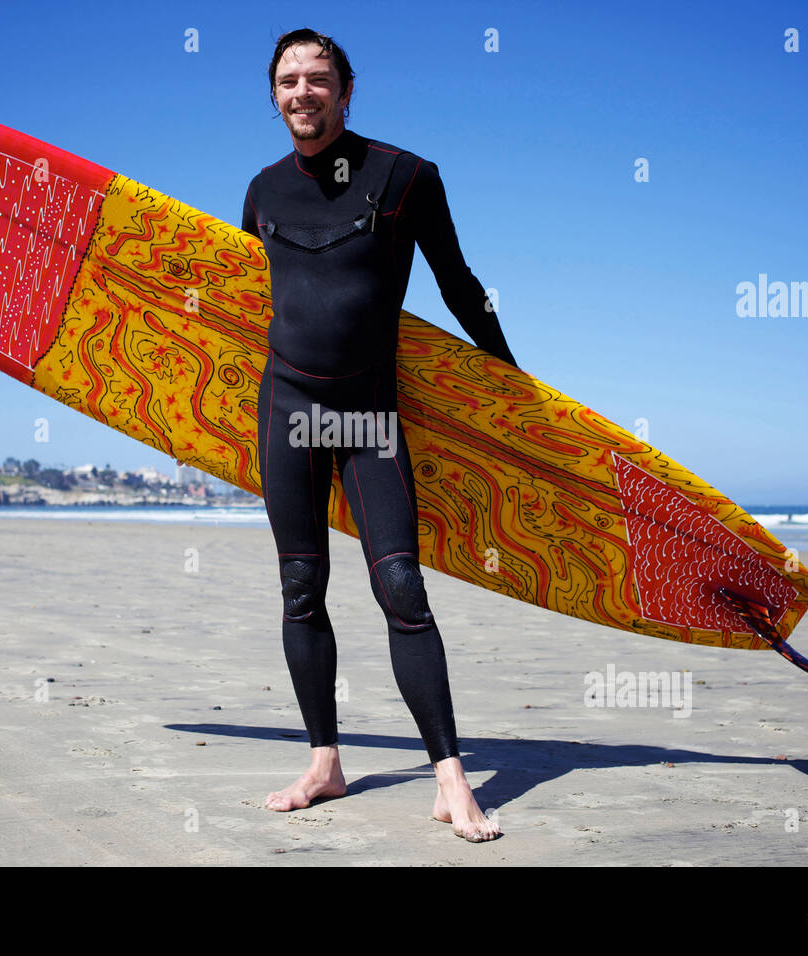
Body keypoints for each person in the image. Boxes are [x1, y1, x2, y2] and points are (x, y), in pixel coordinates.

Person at [242, 29, 515, 842]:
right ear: (274, 95)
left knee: (402, 588)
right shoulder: (259, 192)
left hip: (367, 413)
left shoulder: (405, 178)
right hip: (285, 408)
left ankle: (451, 781)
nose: (302, 93)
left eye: (317, 79)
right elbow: (252, 303)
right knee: (300, 589)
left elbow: (461, 285)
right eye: (287, 81)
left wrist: (510, 384)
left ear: (347, 89)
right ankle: (324, 761)